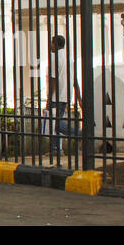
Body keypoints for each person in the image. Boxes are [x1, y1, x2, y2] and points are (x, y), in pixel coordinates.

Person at [47, 34, 79, 164]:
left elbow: (53, 80)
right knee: (56, 122)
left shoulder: (55, 58)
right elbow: (74, 78)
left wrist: (49, 98)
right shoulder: (68, 58)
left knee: (55, 123)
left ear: (55, 44)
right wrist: (78, 96)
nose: (50, 45)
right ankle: (56, 149)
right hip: (67, 94)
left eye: (51, 43)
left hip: (57, 95)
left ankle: (80, 134)